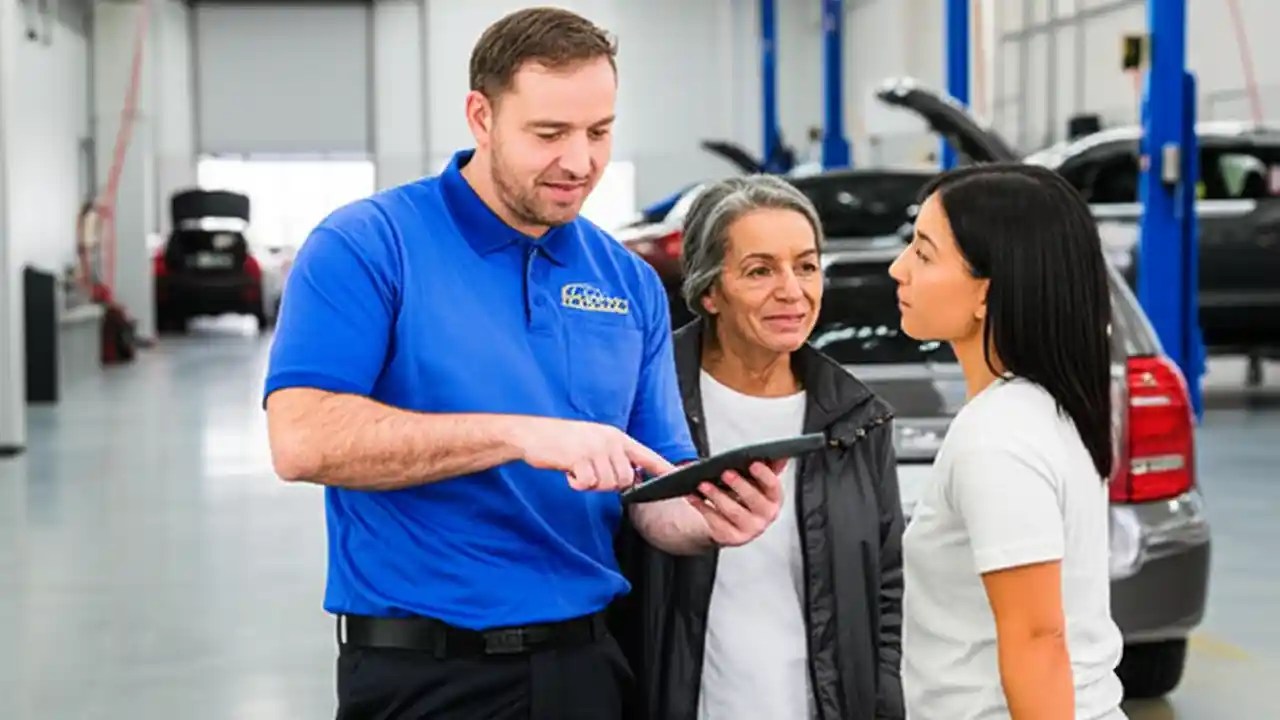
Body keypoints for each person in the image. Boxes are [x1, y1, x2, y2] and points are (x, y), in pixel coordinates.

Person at [261, 8, 785, 719]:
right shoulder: (368, 245)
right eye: (549, 134)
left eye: (599, 132)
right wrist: (520, 435)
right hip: (422, 673)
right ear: (481, 117)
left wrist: (711, 516)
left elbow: (654, 491)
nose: (580, 161)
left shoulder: (626, 283)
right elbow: (302, 441)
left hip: (586, 670)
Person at [611, 175, 906, 720]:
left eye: (806, 266)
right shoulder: (642, 403)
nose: (792, 290)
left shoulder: (857, 420)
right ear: (708, 291)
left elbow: (885, 594)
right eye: (760, 270)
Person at [890, 163, 1126, 719]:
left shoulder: (999, 438)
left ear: (986, 293)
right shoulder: (1044, 408)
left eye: (924, 254)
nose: (899, 269)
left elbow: (1038, 643)